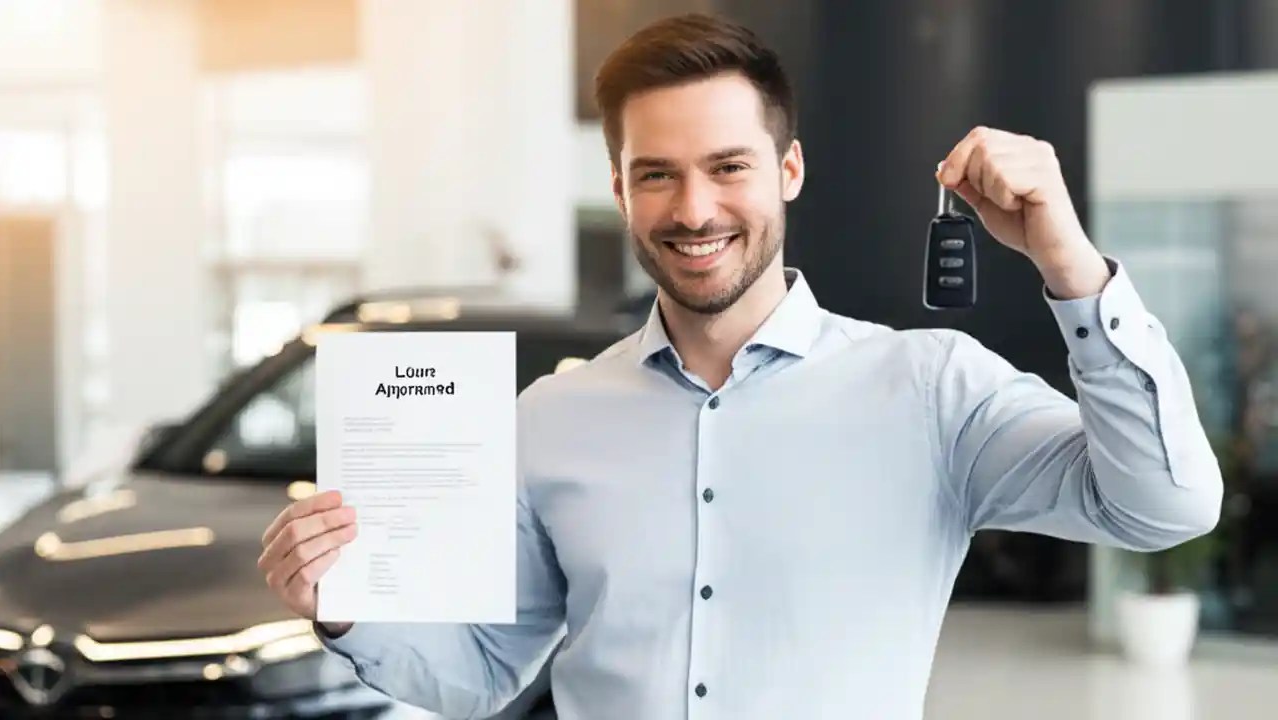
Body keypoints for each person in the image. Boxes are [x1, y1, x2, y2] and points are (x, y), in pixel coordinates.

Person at [257, 13, 1222, 719]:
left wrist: (1069, 264)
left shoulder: (929, 389)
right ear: (619, 187)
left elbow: (1164, 504)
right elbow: (480, 676)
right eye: (657, 173)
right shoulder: (551, 416)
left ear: (788, 171)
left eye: (728, 167)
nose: (693, 209)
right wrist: (345, 611)